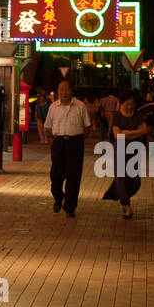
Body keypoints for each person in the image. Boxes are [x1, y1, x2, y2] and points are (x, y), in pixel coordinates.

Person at [44, 78, 91, 219]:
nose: (64, 92)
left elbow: (87, 127)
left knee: (73, 177)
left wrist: (78, 140)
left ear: (71, 91)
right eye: (61, 90)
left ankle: (70, 207)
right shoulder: (53, 107)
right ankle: (59, 198)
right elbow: (47, 128)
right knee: (55, 176)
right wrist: (55, 138)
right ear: (58, 92)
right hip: (58, 143)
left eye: (66, 89)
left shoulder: (80, 106)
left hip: (75, 144)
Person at [108, 91, 149, 219]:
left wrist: (127, 132)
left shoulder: (138, 115)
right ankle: (126, 205)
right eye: (127, 104)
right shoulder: (117, 116)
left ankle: (122, 194)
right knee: (121, 177)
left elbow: (145, 130)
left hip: (135, 150)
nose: (130, 107)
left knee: (135, 181)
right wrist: (136, 132)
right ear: (121, 103)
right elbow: (116, 135)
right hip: (120, 150)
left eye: (132, 104)